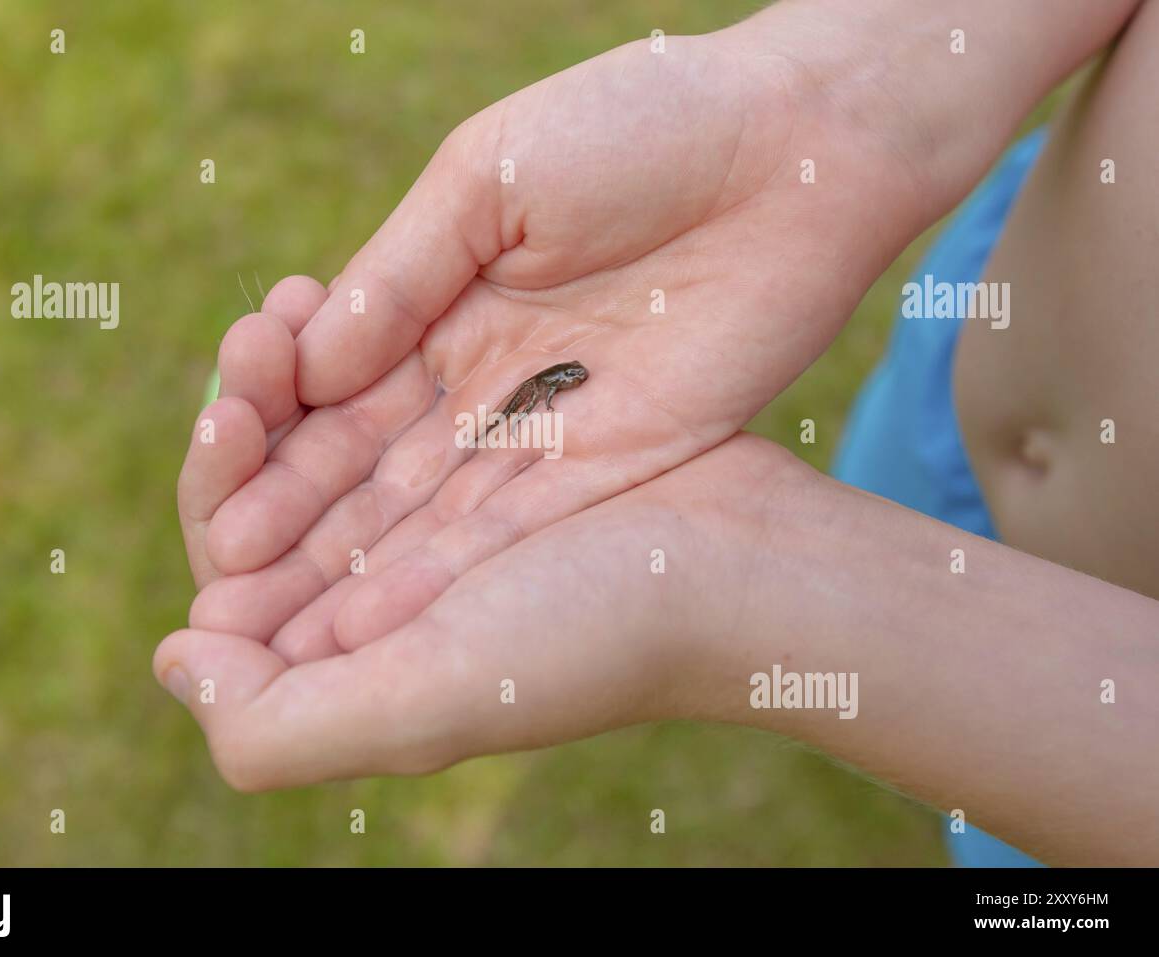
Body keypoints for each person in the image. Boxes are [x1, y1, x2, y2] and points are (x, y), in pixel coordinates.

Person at [156, 0, 1159, 866]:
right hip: (963, 378)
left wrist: (757, 593)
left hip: (1078, 718)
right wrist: (821, 95)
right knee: (881, 476)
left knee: (1009, 823)